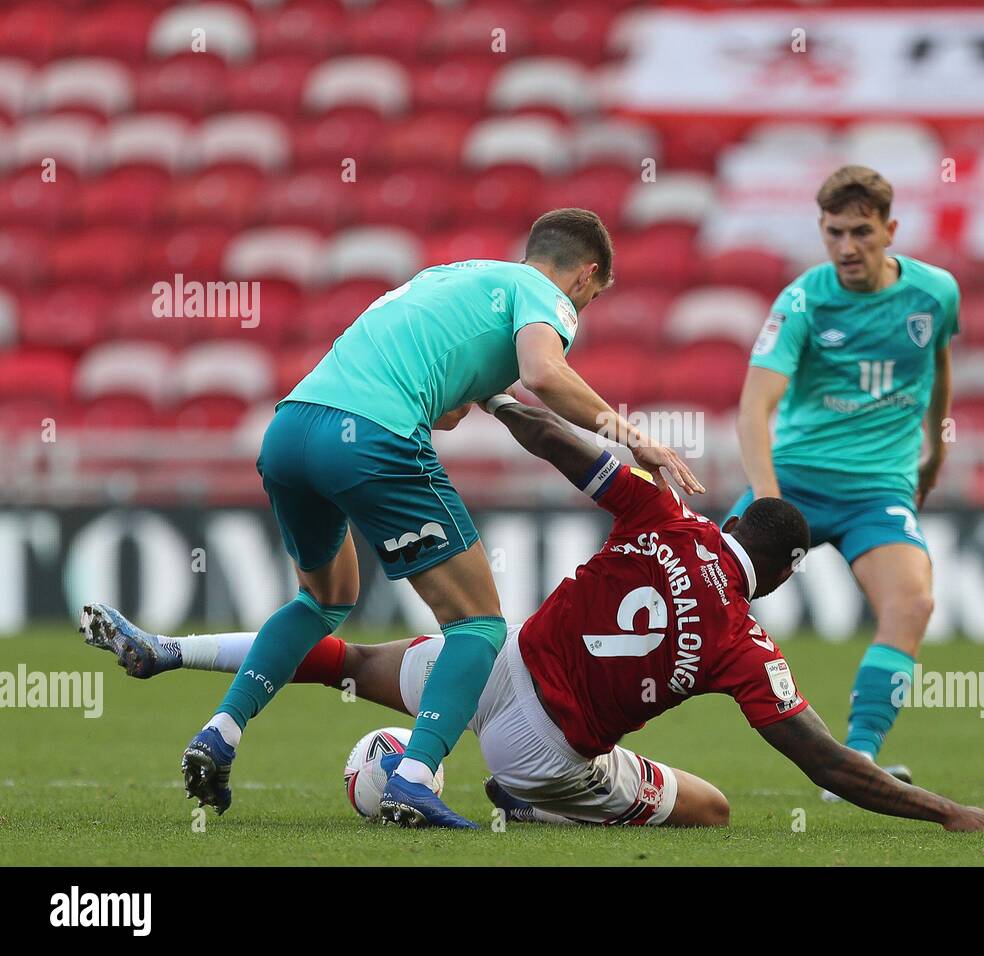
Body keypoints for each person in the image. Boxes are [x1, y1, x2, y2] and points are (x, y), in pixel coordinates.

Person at [84, 398, 984, 834]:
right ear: (780, 574)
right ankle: (534, 805)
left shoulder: (664, 508)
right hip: (546, 748)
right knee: (714, 808)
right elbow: (823, 761)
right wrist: (945, 814)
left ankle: (169, 651)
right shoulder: (747, 640)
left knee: (342, 658)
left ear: (733, 518)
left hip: (487, 666)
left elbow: (556, 443)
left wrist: (492, 390)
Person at [181, 208, 704, 829]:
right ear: (585, 276)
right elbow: (544, 373)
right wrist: (629, 436)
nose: (579, 314)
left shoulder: (451, 279)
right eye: (589, 299)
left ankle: (220, 733)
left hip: (291, 429)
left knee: (325, 599)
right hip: (370, 438)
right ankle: (414, 776)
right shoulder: (543, 295)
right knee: (479, 625)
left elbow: (449, 401)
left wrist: (487, 395)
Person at [729, 166, 960, 795]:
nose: (847, 247)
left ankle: (853, 764)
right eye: (834, 232)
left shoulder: (936, 293)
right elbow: (754, 409)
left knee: (912, 603)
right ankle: (584, 738)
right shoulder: (803, 300)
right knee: (689, 602)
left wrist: (933, 455)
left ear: (891, 229)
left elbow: (938, 368)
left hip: (875, 493)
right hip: (792, 482)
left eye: (862, 232)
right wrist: (769, 504)